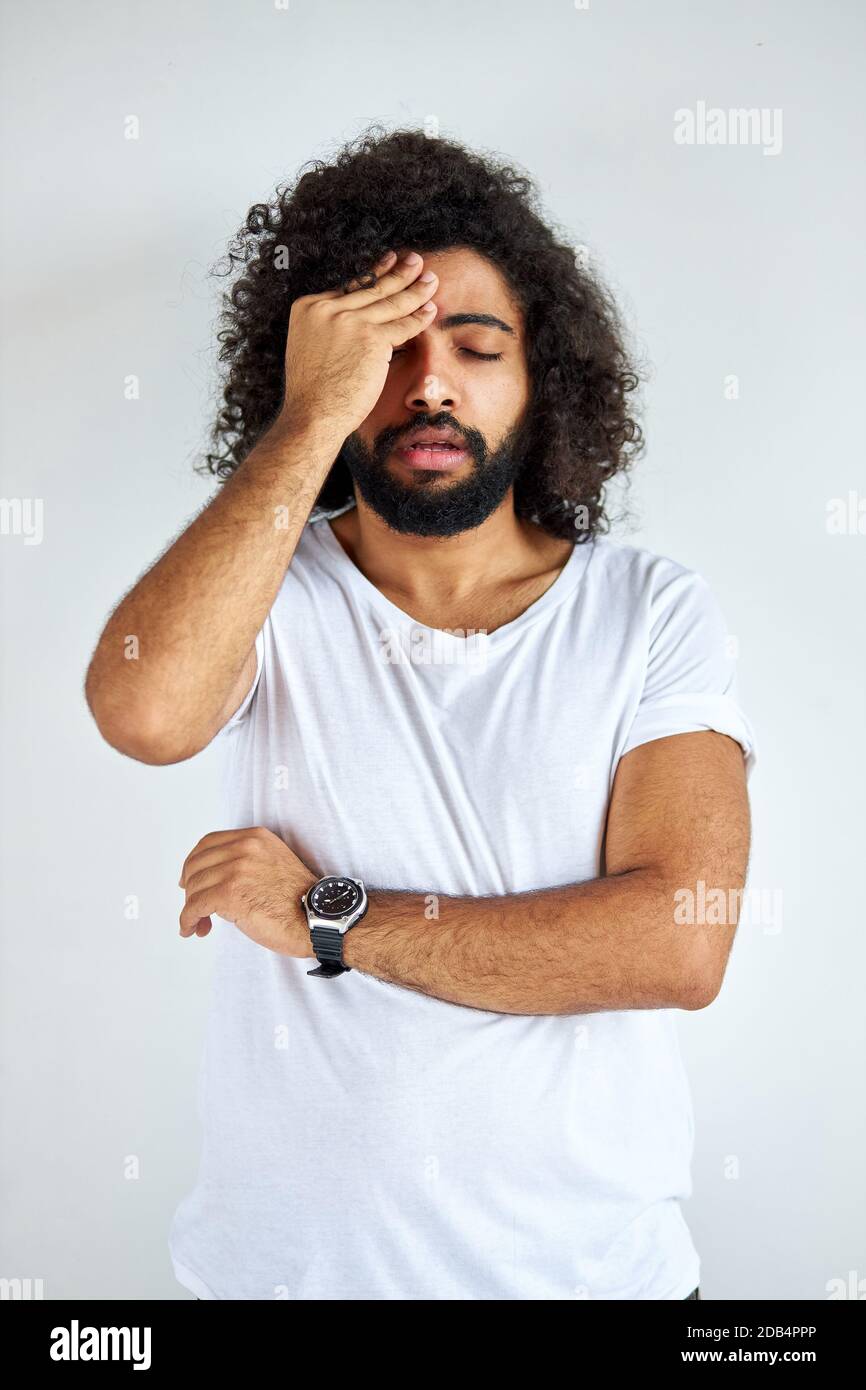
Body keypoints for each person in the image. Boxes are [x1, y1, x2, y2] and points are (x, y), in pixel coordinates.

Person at [85, 126, 755, 1301]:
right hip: (281, 1283)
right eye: (387, 351)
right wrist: (304, 426)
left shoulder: (648, 607)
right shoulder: (268, 597)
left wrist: (326, 918)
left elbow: (676, 942)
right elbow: (143, 713)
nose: (430, 383)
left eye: (475, 347)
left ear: (542, 380)